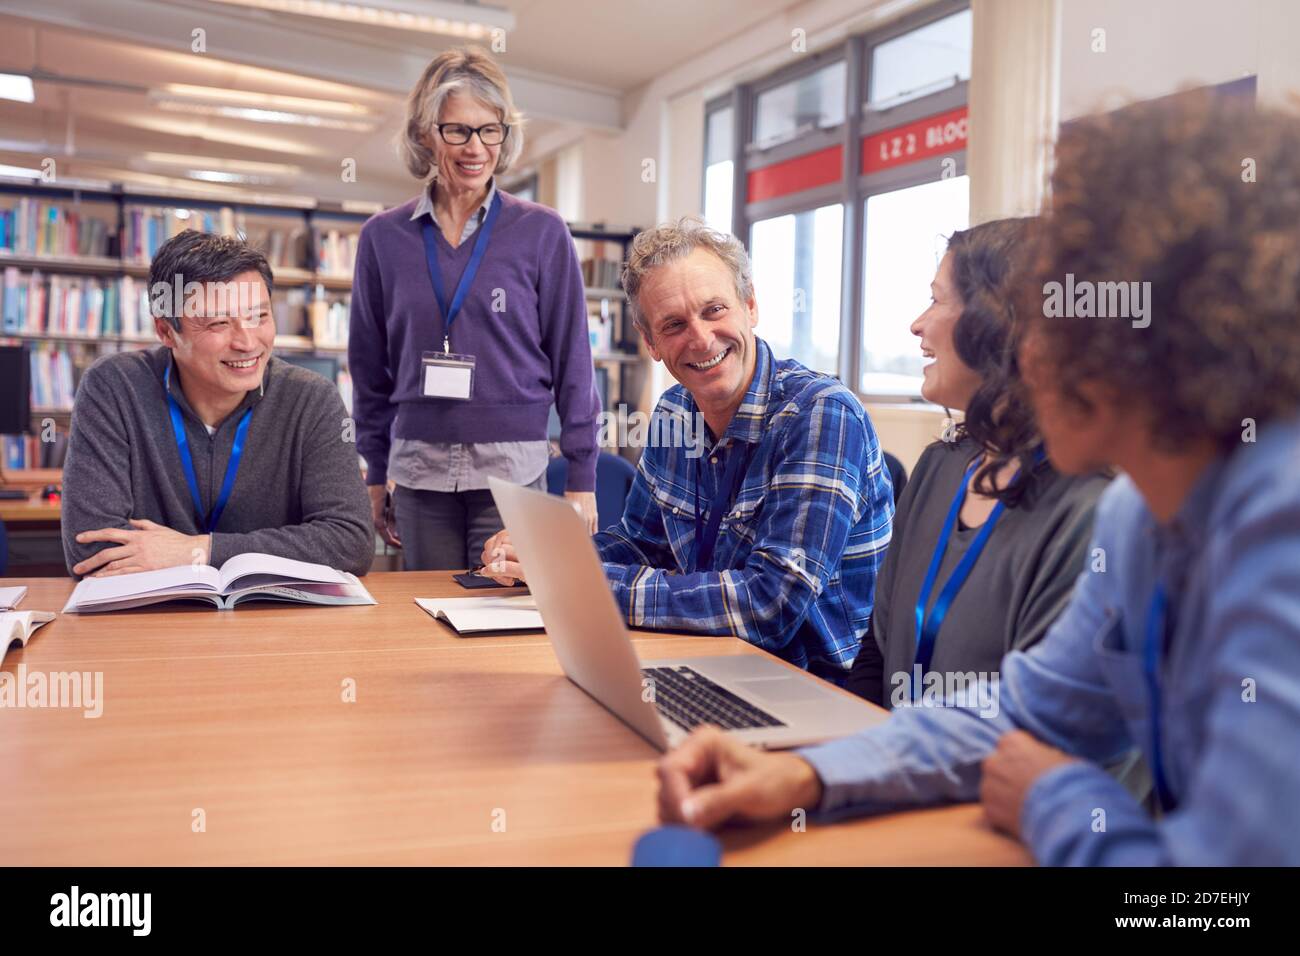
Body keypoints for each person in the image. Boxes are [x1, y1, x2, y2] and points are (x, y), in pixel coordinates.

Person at [655, 94, 1300, 865]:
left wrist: (1057, 799)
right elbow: (1020, 714)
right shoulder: (1142, 519)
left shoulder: (1278, 526)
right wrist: (801, 773)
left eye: (1047, 316)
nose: (1022, 355)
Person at [483, 218, 895, 680]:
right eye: (674, 324)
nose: (700, 339)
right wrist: (547, 555)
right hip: (703, 659)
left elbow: (769, 606)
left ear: (751, 305)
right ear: (651, 343)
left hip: (813, 686)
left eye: (714, 310)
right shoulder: (675, 411)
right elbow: (640, 543)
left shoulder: (821, 415)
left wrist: (576, 583)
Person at [349, 45, 600, 570]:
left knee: (501, 619)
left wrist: (582, 477)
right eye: (457, 130)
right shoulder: (382, 238)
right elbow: (369, 370)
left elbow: (573, 360)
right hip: (417, 468)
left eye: (490, 130)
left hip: (514, 465)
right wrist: (374, 473)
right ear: (425, 132)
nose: (475, 147)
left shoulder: (541, 231)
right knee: (426, 619)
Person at [844, 218, 1109, 708]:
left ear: (996, 321)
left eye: (938, 299)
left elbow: (1040, 722)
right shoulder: (939, 467)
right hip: (888, 765)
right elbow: (876, 652)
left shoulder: (1089, 504)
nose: (918, 324)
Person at [62, 230, 373, 578]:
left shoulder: (311, 399)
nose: (247, 342)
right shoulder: (115, 388)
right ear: (167, 332)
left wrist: (200, 551)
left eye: (259, 316)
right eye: (219, 323)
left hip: (275, 618)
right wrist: (268, 552)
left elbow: (351, 543)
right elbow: (92, 549)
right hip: (150, 619)